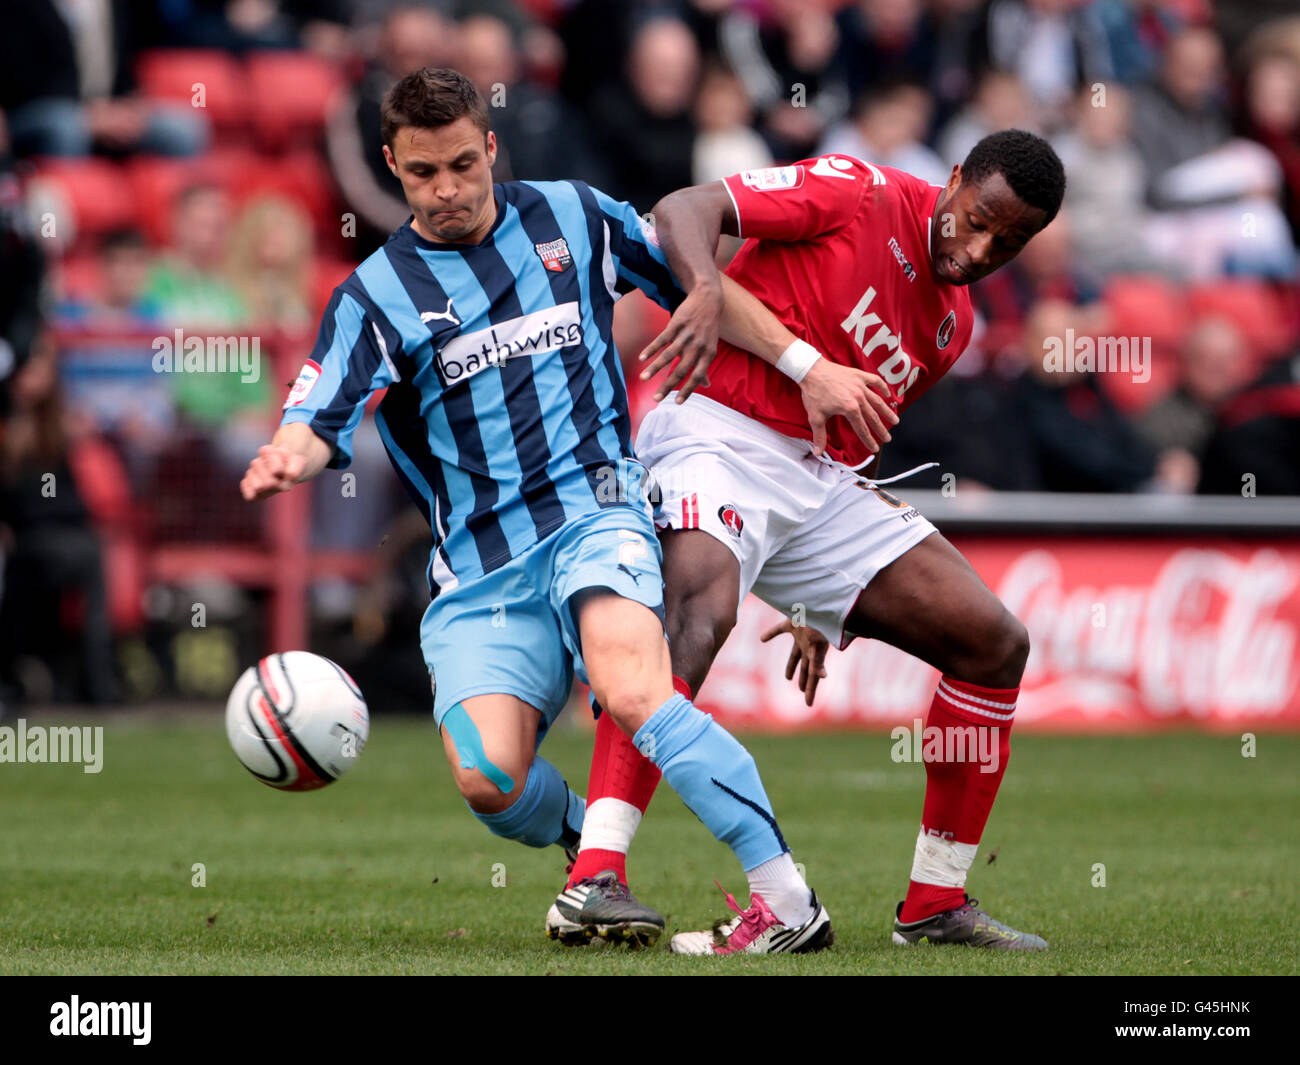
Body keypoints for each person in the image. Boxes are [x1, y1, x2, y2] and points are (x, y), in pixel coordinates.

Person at [240, 68, 862, 954]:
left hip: (598, 512)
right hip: (483, 565)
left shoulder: (574, 216)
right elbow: (318, 412)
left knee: (633, 688)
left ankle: (787, 897)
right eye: (422, 175)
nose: (447, 190)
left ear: (492, 147)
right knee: (491, 779)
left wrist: (806, 367)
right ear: (391, 167)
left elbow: (705, 295)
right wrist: (286, 456)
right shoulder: (374, 295)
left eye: (462, 164)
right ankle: (590, 852)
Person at [570, 130, 1067, 953]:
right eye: (974, 220)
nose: (978, 249)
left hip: (812, 476)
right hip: (714, 429)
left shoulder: (952, 328)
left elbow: (845, 437)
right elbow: (681, 211)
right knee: (694, 620)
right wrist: (753, 325)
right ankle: (595, 874)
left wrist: (811, 597)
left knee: (995, 642)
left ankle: (934, 904)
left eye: (1006, 243)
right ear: (950, 181)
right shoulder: (856, 190)